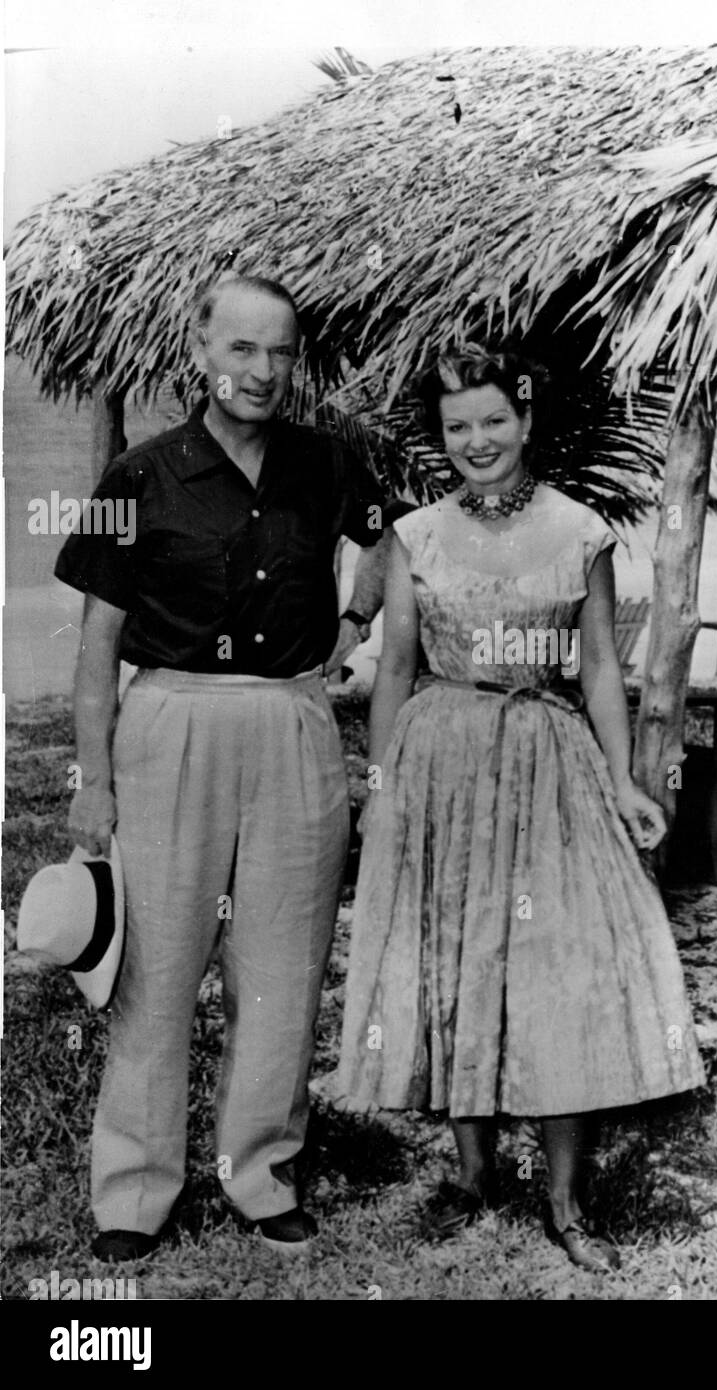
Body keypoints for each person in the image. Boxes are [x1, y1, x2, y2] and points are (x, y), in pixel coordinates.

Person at [317, 344, 706, 1272]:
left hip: (546, 755)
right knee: (454, 950)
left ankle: (565, 1198)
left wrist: (622, 780)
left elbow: (603, 668)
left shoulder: (579, 531)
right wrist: (378, 789)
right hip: (440, 756)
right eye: (457, 428)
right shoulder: (413, 535)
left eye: (494, 420)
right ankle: (470, 1175)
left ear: (526, 422)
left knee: (557, 964)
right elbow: (397, 668)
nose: (477, 441)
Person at [57, 273, 406, 1262]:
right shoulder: (139, 476)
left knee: (285, 966)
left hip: (292, 719)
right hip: (169, 723)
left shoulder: (328, 463)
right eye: (241, 349)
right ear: (202, 348)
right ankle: (132, 1192)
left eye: (279, 352)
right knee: (157, 968)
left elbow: (387, 543)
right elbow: (95, 651)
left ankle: (262, 1176)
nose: (260, 371)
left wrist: (350, 623)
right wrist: (96, 780)